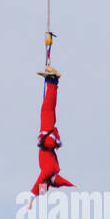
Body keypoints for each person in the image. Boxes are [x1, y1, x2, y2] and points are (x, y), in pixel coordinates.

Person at [28, 63, 74, 207]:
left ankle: (51, 81)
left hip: (47, 138)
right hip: (47, 138)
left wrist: (70, 185)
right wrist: (31, 199)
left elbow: (52, 184)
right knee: (47, 109)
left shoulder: (51, 171)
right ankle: (53, 79)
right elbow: (40, 183)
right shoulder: (48, 171)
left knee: (48, 108)